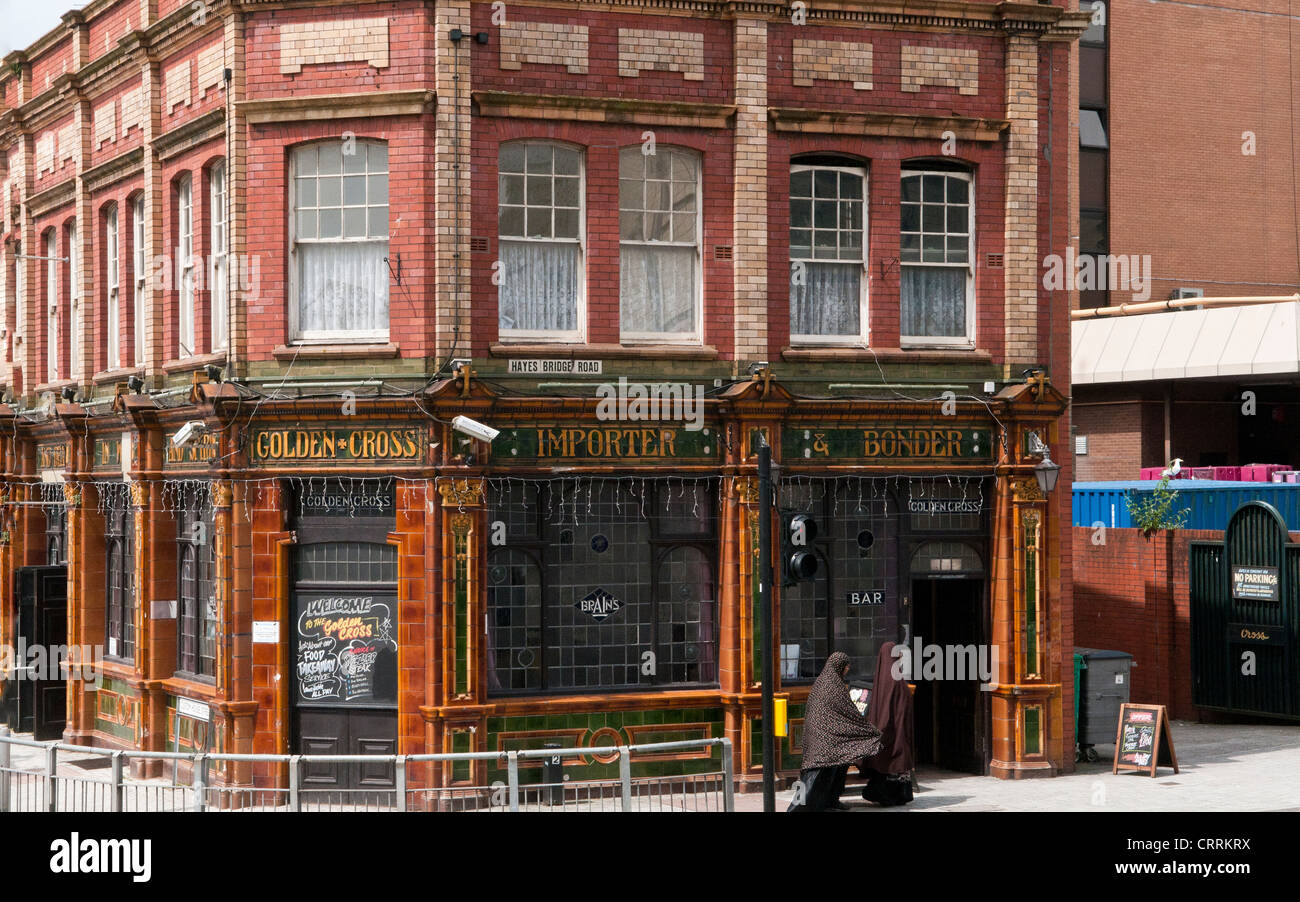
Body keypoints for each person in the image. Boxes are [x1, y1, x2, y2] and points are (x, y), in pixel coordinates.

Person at [787, 651, 882, 811]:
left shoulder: (823, 682)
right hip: (823, 742)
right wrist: (870, 731)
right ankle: (796, 809)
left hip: (825, 739)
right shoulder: (833, 685)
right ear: (839, 666)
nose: (847, 669)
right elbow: (849, 712)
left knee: (836, 769)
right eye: (846, 666)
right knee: (812, 777)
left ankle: (830, 801)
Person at [859, 640, 915, 806]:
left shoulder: (882, 683)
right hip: (898, 737)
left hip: (886, 735)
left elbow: (881, 714)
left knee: (883, 763)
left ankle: (884, 793)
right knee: (895, 763)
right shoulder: (898, 683)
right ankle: (896, 795)